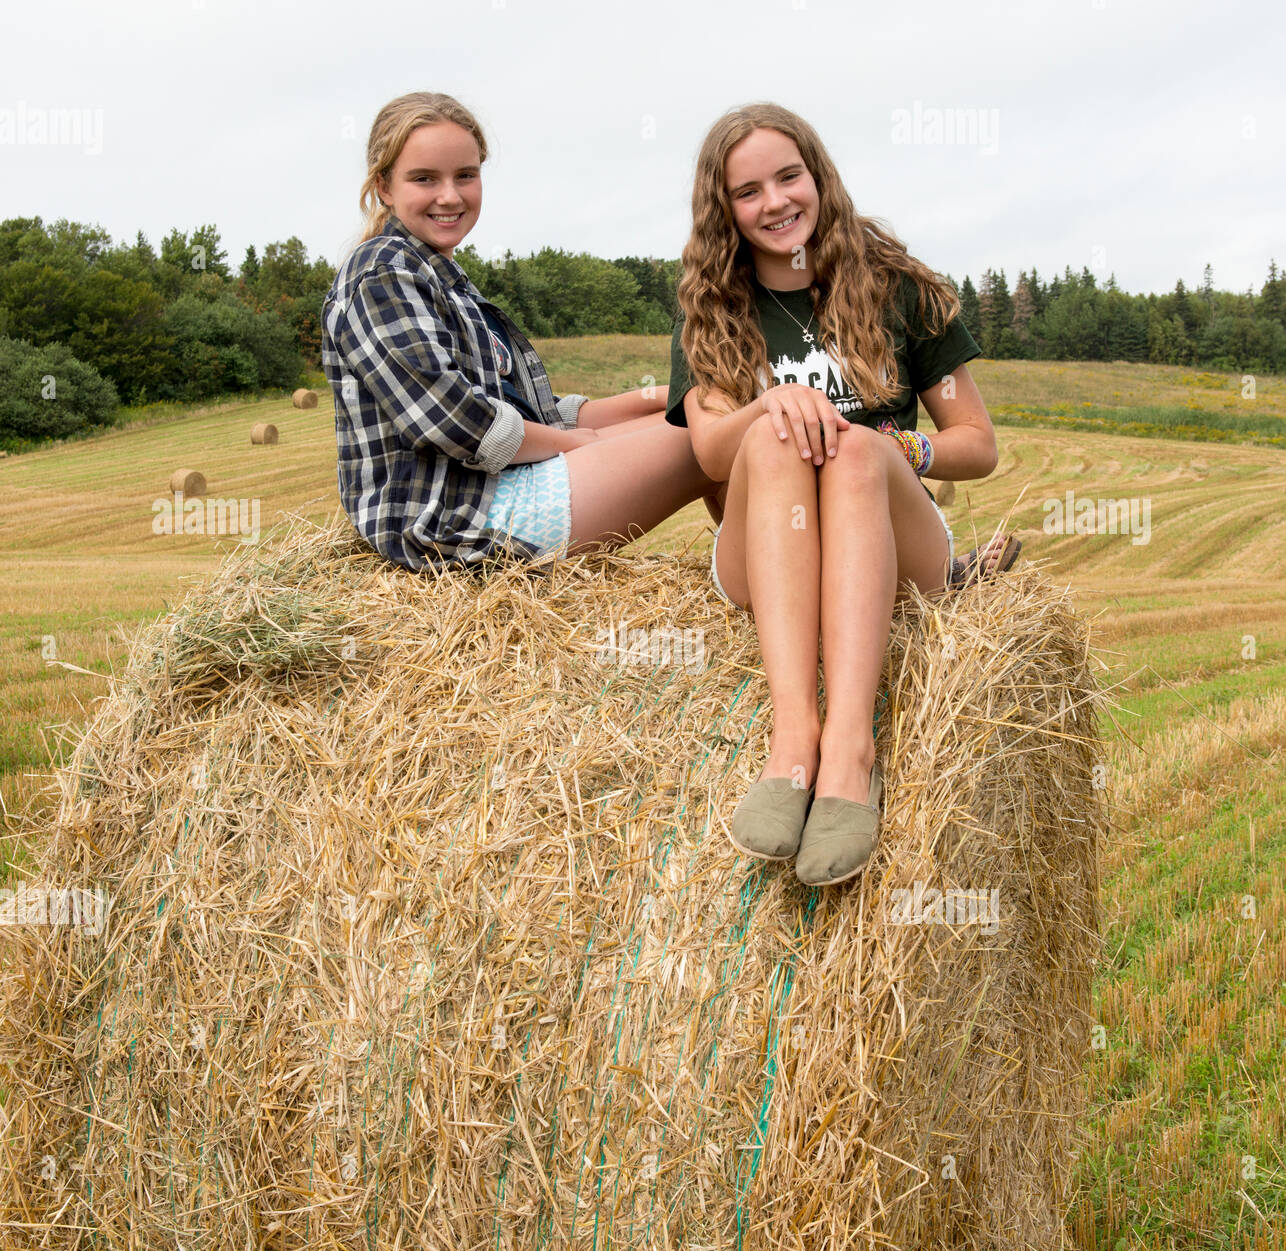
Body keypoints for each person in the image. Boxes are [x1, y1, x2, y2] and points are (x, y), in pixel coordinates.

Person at [667, 102, 1016, 888]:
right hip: (764, 557)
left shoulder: (899, 289)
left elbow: (977, 445)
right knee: (774, 434)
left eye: (789, 177)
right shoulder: (711, 306)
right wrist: (770, 403)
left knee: (856, 451)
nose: (776, 202)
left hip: (894, 552)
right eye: (748, 191)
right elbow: (713, 453)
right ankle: (794, 739)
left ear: (819, 176)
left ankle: (850, 752)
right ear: (724, 210)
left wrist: (905, 445)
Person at [322, 91, 725, 574]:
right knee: (715, 440)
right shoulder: (382, 273)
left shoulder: (442, 277)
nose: (450, 195)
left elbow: (535, 415)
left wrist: (659, 397)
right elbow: (454, 419)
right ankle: (770, 596)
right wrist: (577, 443)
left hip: (495, 491)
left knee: (705, 412)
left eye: (465, 176)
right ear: (384, 186)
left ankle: (764, 592)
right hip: (458, 521)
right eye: (424, 178)